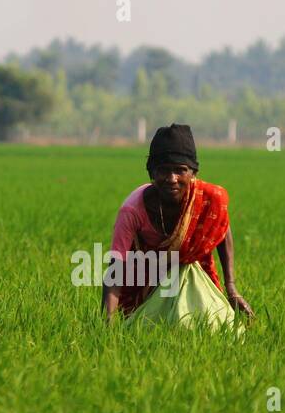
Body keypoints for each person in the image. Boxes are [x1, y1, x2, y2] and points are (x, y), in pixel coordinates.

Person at [102, 124, 253, 326]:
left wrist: (231, 288)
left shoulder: (208, 198)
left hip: (196, 275)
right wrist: (107, 322)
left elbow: (223, 230)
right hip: (150, 280)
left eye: (180, 171)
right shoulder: (132, 211)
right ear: (151, 173)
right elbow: (116, 270)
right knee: (150, 328)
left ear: (193, 173)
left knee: (211, 327)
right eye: (163, 171)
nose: (172, 179)